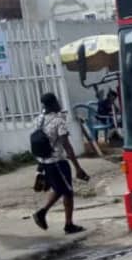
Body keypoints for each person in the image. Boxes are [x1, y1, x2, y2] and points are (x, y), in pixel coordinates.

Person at [32, 93, 90, 234]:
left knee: (59, 189)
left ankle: (43, 214)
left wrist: (40, 164)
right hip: (57, 162)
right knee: (67, 192)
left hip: (45, 162)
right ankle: (66, 224)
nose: (59, 104)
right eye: (56, 101)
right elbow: (67, 145)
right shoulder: (59, 121)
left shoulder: (38, 120)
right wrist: (77, 168)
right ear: (53, 103)